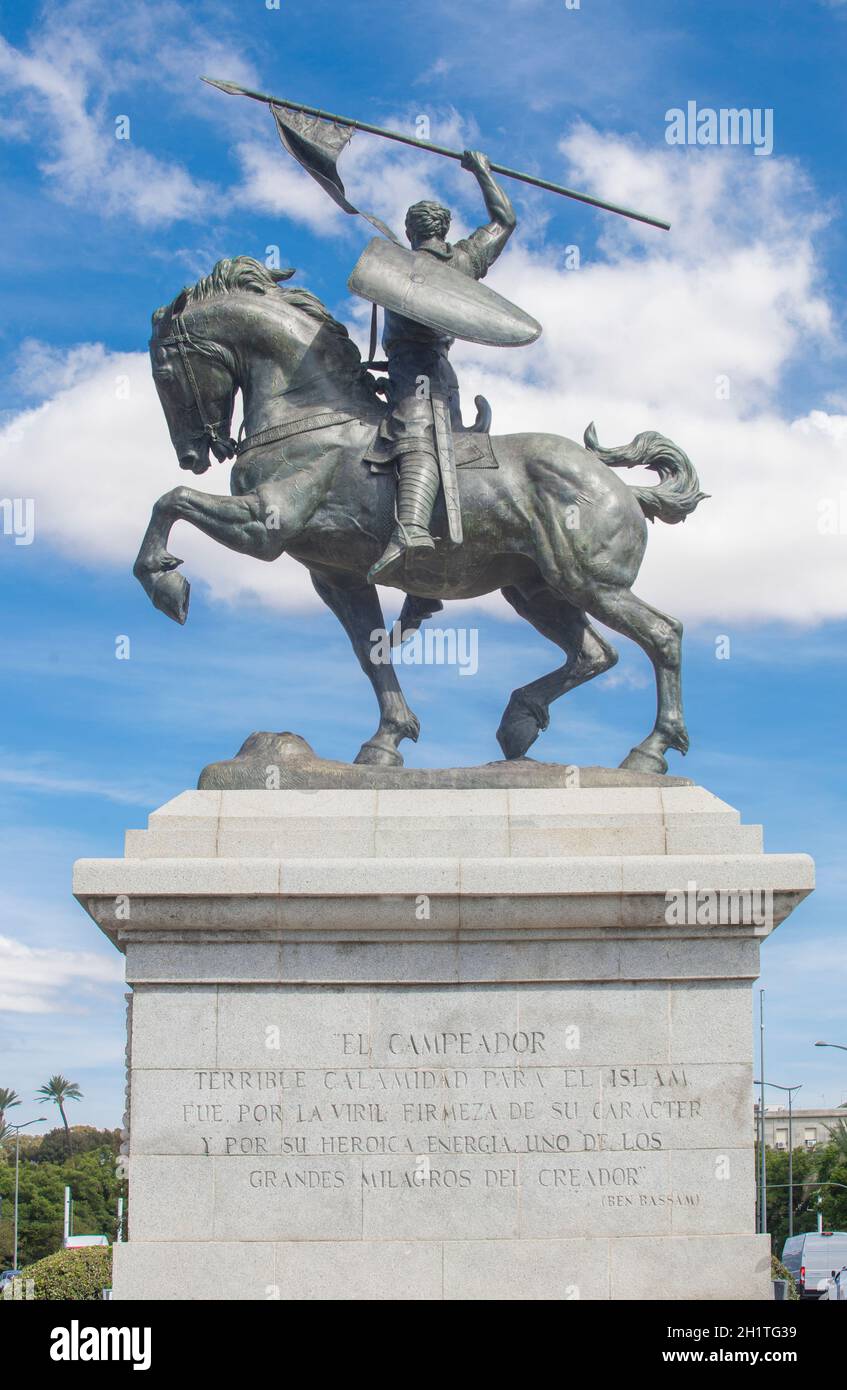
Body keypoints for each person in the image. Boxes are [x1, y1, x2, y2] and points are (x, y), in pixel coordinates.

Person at [366, 149, 516, 583]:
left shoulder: (408, 269)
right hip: (403, 376)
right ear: (443, 229)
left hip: (424, 381)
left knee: (416, 432)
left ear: (411, 231)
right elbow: (504, 221)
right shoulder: (463, 260)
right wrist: (483, 172)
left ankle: (412, 527)